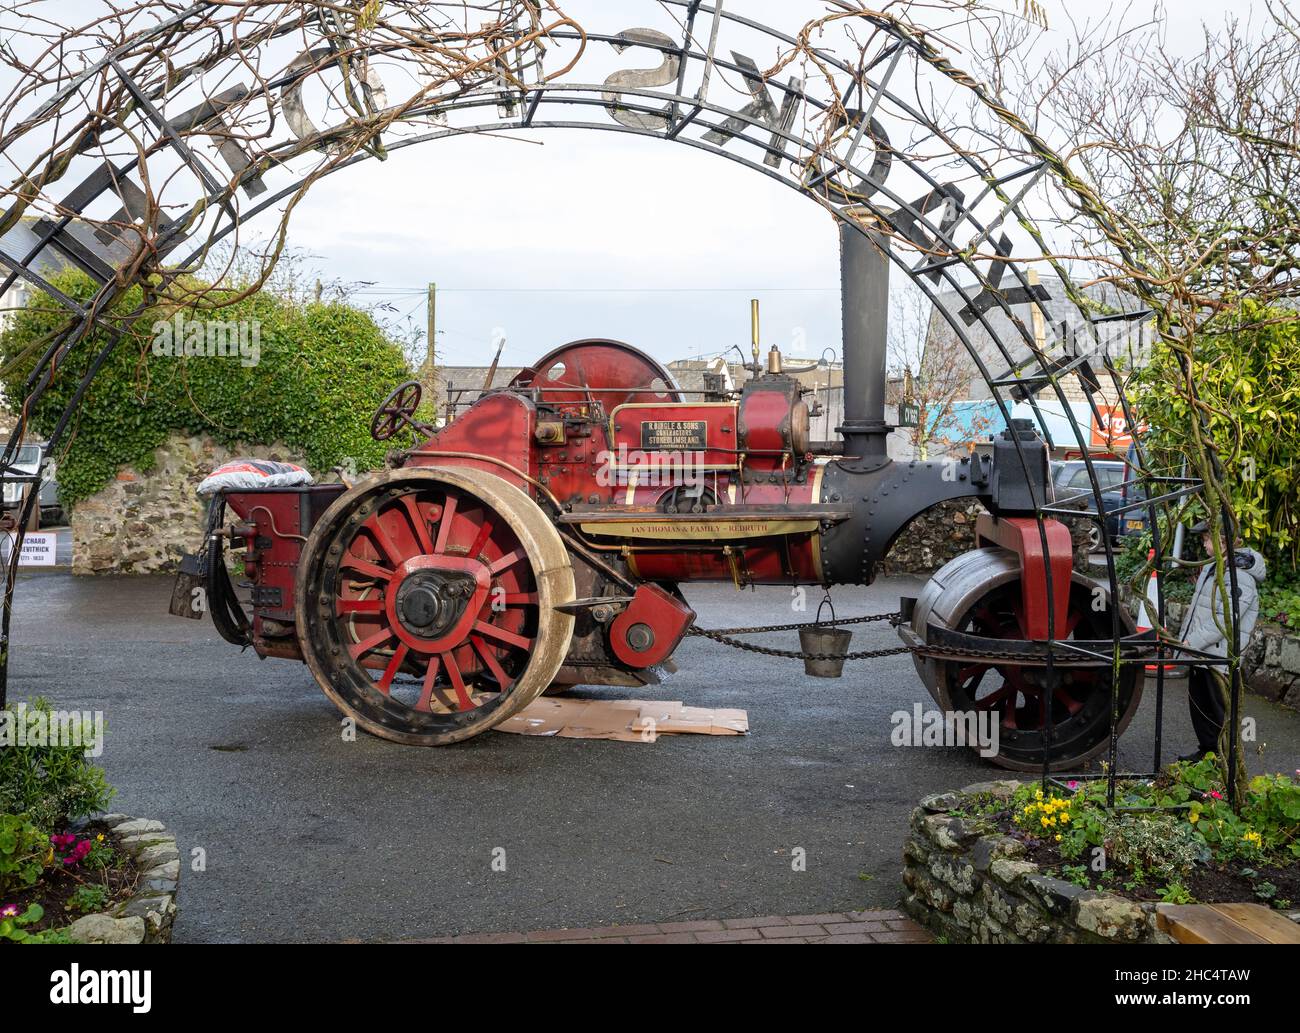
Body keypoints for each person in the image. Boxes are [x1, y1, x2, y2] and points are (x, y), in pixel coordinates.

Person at [1177, 520, 1266, 762]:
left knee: (1216, 710)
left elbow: (1227, 619)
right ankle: (1208, 753)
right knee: (1199, 705)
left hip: (1218, 655)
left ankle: (1224, 759)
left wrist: (1191, 641)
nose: (1204, 544)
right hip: (1202, 653)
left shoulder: (1240, 577)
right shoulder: (1214, 567)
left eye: (1206, 539)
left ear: (1222, 541)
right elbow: (1199, 609)